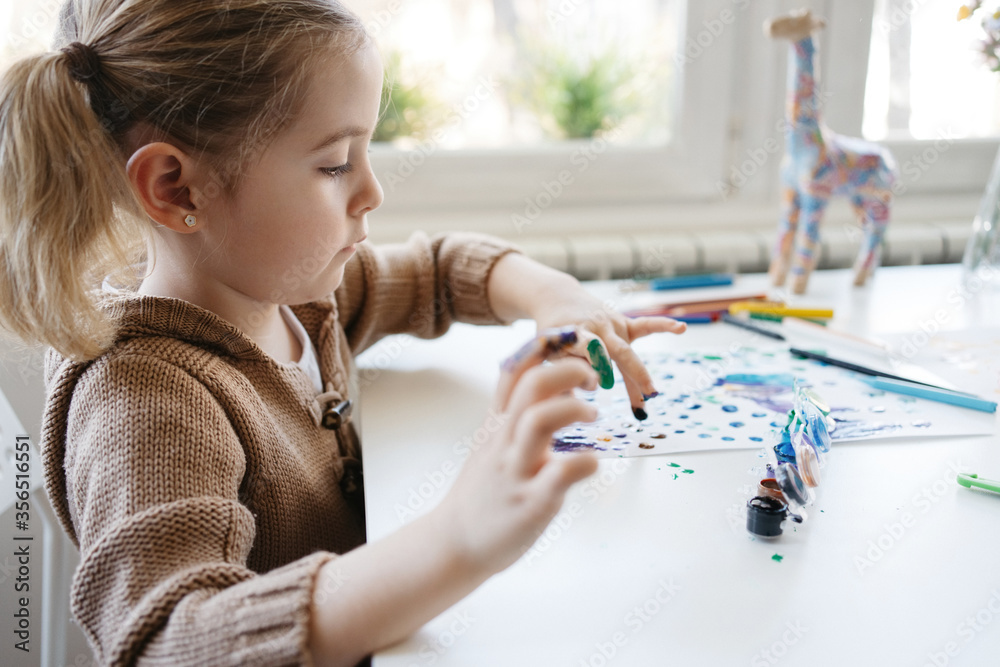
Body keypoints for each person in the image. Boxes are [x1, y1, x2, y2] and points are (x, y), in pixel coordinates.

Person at [0, 1, 686, 665]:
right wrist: (454, 538)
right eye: (334, 164)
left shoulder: (289, 296)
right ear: (178, 189)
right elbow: (169, 640)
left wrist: (557, 299)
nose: (372, 193)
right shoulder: (146, 401)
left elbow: (440, 270)